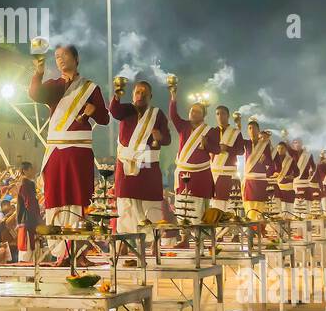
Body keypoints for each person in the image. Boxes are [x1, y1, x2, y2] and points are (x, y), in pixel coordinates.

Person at [28, 44, 107, 230]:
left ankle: (78, 251)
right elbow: (34, 94)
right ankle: (60, 250)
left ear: (76, 58)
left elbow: (104, 118)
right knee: (56, 195)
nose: (60, 59)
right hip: (56, 150)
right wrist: (38, 73)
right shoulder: (53, 86)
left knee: (80, 196)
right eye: (56, 56)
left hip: (80, 151)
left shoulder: (90, 88)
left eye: (64, 55)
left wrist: (94, 110)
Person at [109, 79, 171, 233]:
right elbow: (114, 111)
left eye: (144, 93)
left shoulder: (157, 114)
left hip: (147, 163)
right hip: (125, 162)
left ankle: (150, 239)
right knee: (125, 202)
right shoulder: (127, 110)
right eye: (137, 92)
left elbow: (167, 139)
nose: (140, 95)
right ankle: (125, 239)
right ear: (132, 95)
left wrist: (160, 137)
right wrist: (117, 95)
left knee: (149, 201)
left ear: (150, 96)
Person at [167, 80, 214, 222]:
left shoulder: (209, 131)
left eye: (197, 111)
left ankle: (199, 236)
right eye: (191, 110)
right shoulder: (183, 126)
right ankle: (184, 236)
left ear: (203, 115)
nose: (193, 113)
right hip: (183, 173)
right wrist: (173, 98)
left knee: (198, 206)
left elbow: (216, 149)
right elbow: (173, 115)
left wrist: (207, 145)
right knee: (182, 203)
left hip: (201, 174)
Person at [209, 106, 246, 213]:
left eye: (223, 113)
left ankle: (229, 229)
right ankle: (219, 228)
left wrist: (227, 148)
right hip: (214, 172)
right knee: (216, 203)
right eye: (217, 114)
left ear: (228, 115)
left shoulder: (235, 132)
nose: (220, 116)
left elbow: (241, 151)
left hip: (230, 173)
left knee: (231, 205)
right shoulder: (212, 131)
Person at [240, 119, 277, 220]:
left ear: (258, 130)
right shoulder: (246, 143)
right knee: (249, 204)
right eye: (250, 128)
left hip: (260, 180)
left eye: (254, 128)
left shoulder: (264, 145)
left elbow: (270, 162)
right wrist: (238, 123)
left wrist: (265, 160)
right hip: (249, 179)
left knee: (260, 204)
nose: (252, 130)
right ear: (248, 131)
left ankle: (259, 228)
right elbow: (237, 141)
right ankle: (250, 229)